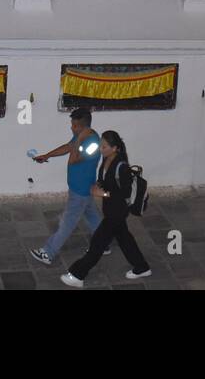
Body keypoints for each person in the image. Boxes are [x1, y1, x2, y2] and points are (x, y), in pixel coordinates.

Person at [60, 131, 151, 287]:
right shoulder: (106, 158)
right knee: (124, 238)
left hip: (117, 211)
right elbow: (104, 179)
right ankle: (142, 267)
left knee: (97, 244)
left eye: (104, 146)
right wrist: (98, 186)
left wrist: (104, 193)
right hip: (110, 209)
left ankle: (77, 274)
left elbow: (125, 192)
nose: (100, 149)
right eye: (100, 145)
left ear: (114, 148)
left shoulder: (122, 166)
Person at [29, 108, 108, 266]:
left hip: (82, 190)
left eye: (74, 126)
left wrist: (78, 140)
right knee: (92, 215)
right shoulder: (80, 137)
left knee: (67, 222)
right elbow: (68, 147)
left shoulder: (92, 144)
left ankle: (48, 252)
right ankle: (104, 243)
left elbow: (73, 159)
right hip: (80, 188)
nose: (71, 128)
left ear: (83, 127)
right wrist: (47, 155)